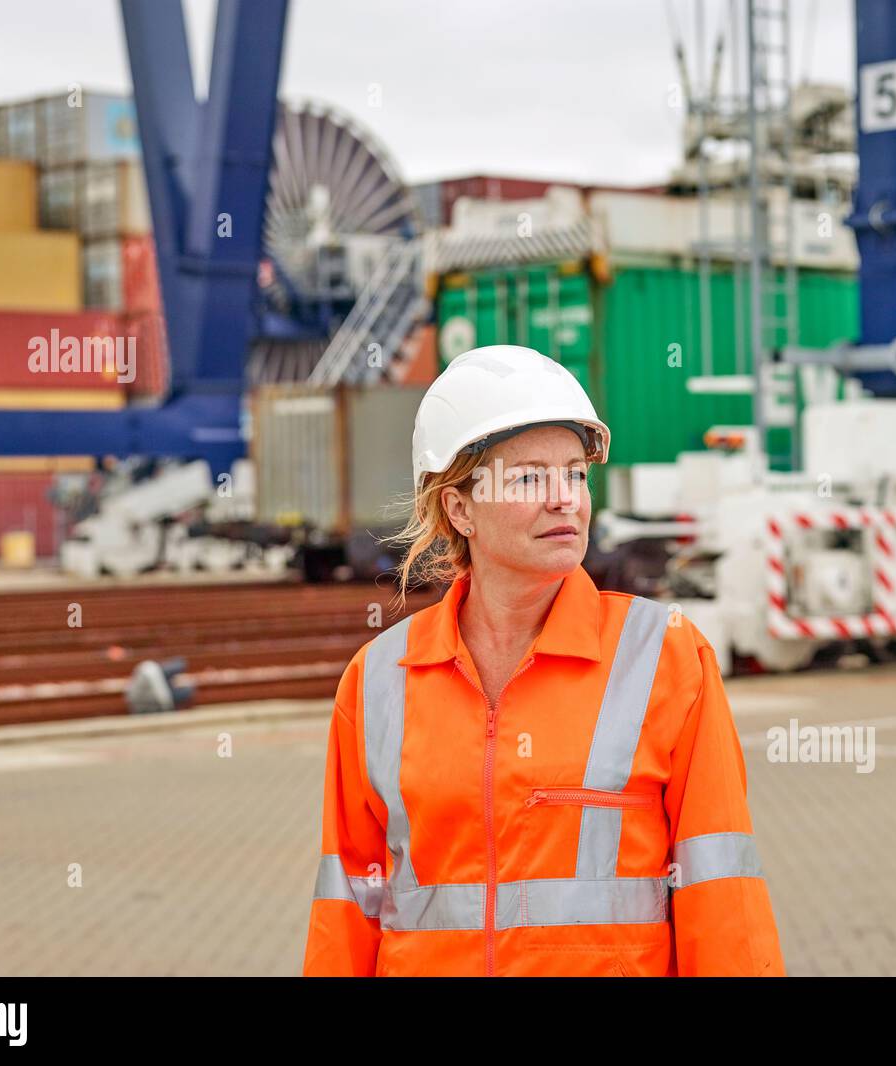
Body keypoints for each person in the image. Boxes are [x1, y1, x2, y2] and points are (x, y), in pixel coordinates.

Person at [302, 344, 785, 977]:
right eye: (530, 477)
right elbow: (349, 905)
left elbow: (723, 895)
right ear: (458, 507)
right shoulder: (377, 681)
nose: (566, 499)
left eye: (576, 474)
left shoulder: (665, 657)